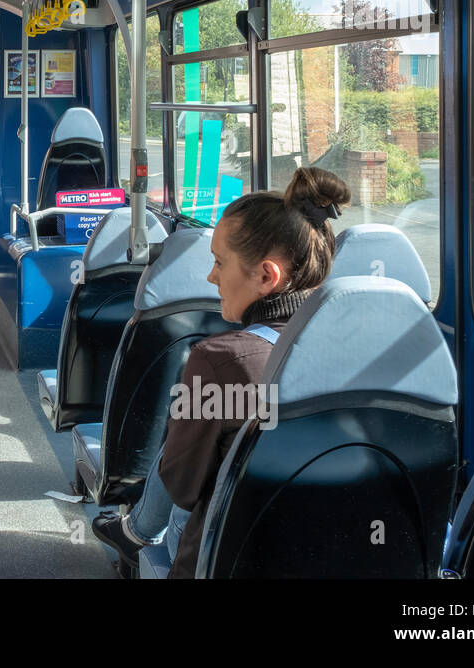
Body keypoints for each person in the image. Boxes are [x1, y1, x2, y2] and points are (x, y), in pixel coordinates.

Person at [92, 166, 351, 578]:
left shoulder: (221, 361)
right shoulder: (366, 352)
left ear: (267, 275)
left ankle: (138, 531)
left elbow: (180, 486)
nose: (212, 276)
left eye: (219, 262)